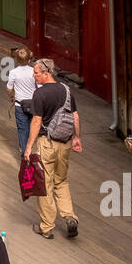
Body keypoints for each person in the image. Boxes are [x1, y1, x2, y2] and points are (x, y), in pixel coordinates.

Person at [23, 58, 82, 240]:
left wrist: (28, 147)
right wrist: (76, 137)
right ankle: (69, 216)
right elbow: (75, 116)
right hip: (64, 143)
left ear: (46, 73)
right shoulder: (65, 90)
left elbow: (37, 121)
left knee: (44, 184)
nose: (34, 76)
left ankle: (47, 227)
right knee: (61, 181)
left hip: (46, 143)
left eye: (36, 73)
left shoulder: (40, 95)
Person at [6, 45, 36, 157]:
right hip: (33, 104)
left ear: (17, 60)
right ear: (29, 59)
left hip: (19, 104)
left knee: (22, 129)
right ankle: (29, 147)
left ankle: (24, 153)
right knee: (32, 127)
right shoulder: (34, 71)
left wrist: (11, 97)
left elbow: (9, 88)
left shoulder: (14, 72)